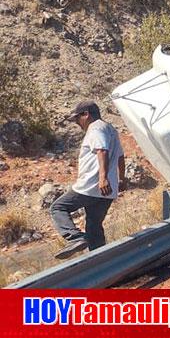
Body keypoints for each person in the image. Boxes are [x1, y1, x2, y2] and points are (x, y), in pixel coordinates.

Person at [51, 101, 125, 259]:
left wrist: (103, 178)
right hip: (107, 192)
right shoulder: (110, 129)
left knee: (58, 208)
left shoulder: (96, 128)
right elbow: (120, 156)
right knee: (94, 226)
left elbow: (102, 151)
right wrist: (121, 179)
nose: (77, 123)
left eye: (77, 118)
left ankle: (75, 238)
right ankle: (101, 263)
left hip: (91, 186)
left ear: (86, 114)